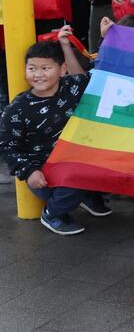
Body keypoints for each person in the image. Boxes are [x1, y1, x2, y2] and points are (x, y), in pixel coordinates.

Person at [0, 29, 111, 236]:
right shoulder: (17, 108)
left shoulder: (70, 87)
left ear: (62, 70)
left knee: (107, 161)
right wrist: (29, 172)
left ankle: (84, 195)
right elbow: (8, 146)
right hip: (42, 173)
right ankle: (53, 213)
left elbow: (85, 80)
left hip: (74, 160)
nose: (38, 74)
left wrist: (66, 45)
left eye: (45, 68)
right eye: (32, 68)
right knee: (77, 176)